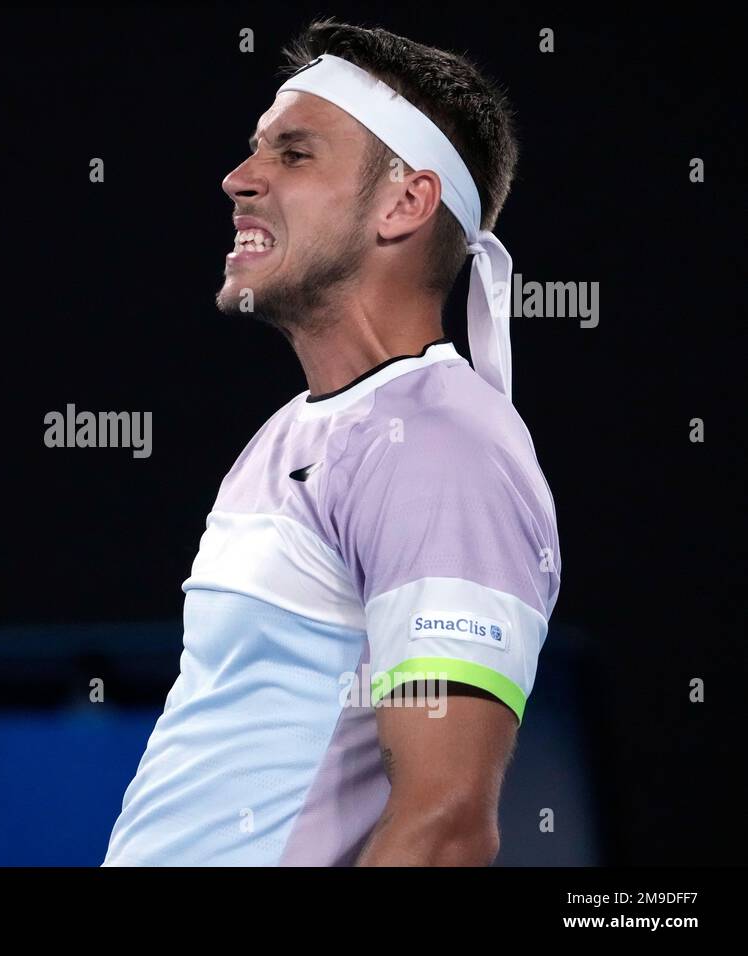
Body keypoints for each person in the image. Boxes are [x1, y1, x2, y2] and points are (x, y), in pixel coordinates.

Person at [104, 19, 560, 866]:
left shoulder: (440, 449)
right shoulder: (287, 438)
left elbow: (446, 826)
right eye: (255, 151)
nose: (239, 179)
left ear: (404, 203)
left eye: (295, 153)